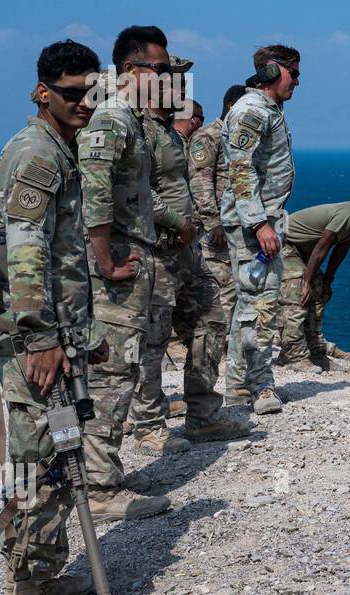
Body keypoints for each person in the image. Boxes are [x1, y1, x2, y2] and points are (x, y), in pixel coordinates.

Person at [0, 40, 110, 595]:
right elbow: (26, 255)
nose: (85, 101)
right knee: (40, 466)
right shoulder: (37, 155)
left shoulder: (61, 147)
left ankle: (47, 572)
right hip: (38, 344)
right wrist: (40, 340)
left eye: (93, 91)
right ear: (42, 92)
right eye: (72, 92)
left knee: (60, 453)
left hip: (58, 336)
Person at [75, 26, 177, 519]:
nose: (168, 78)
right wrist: (105, 259)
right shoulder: (113, 116)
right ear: (133, 69)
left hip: (130, 252)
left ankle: (103, 475)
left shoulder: (131, 117)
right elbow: (94, 188)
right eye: (160, 69)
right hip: (116, 259)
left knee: (124, 363)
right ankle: (99, 489)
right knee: (112, 367)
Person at [126, 50, 243, 452]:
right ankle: (147, 427)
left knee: (211, 320)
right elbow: (138, 189)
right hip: (156, 249)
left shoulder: (169, 131)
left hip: (185, 252)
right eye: (173, 80)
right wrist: (180, 223)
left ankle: (202, 416)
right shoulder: (136, 128)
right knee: (153, 341)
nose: (179, 88)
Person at [221, 45, 299, 415]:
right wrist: (259, 222)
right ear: (271, 72)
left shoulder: (267, 110)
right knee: (261, 305)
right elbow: (240, 169)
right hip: (255, 224)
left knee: (250, 303)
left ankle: (238, 386)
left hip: (263, 220)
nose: (297, 81)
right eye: (292, 73)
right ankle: (260, 386)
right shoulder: (252, 112)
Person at [277, 184, 350, 371]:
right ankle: (292, 356)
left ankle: (316, 353)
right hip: (286, 245)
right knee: (298, 293)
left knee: (319, 295)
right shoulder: (347, 216)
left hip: (305, 252)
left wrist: (326, 281)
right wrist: (306, 282)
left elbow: (342, 248)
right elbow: (322, 247)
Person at [187, 84, 246, 389]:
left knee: (233, 293)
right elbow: (200, 182)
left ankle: (225, 355)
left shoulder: (233, 139)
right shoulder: (208, 136)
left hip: (233, 229)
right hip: (214, 233)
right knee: (220, 297)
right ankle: (211, 362)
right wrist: (213, 224)